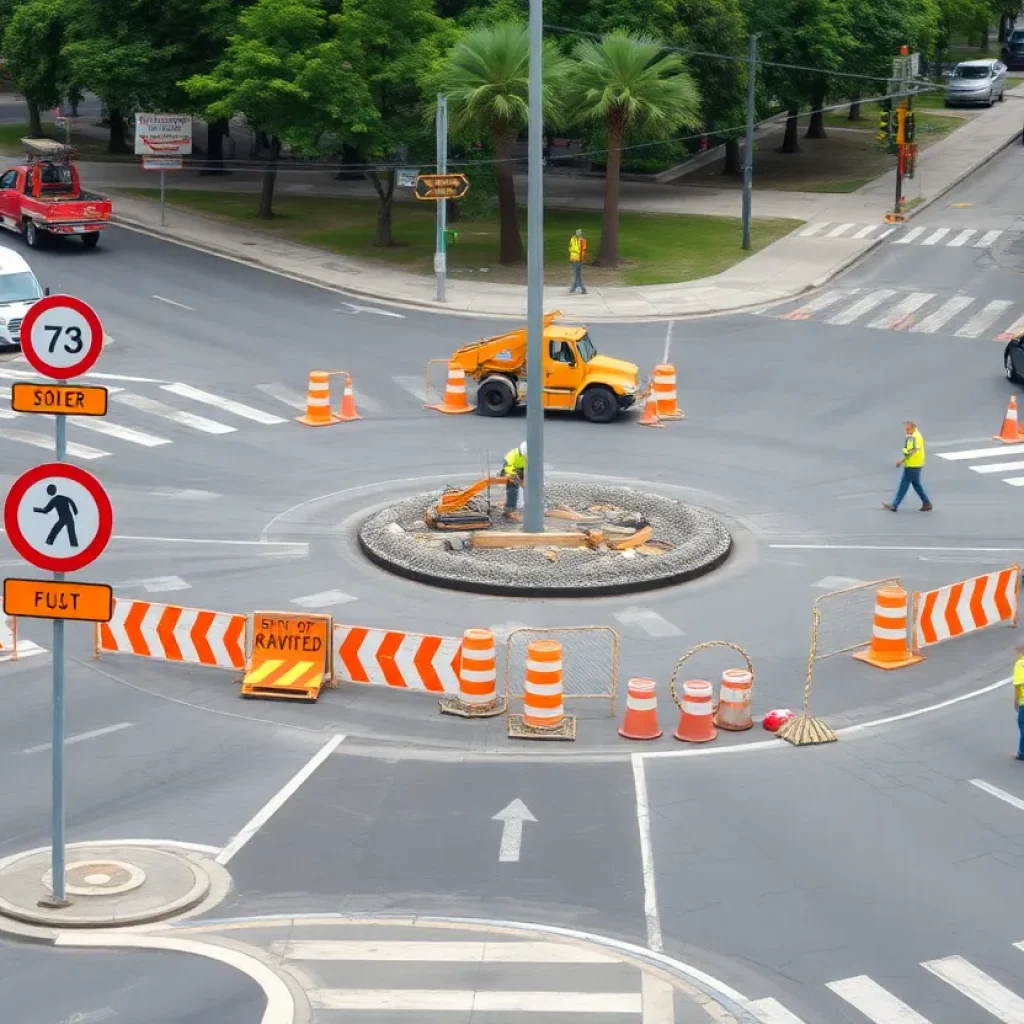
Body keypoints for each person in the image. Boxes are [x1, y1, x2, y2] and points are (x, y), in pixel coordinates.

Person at [882, 420, 933, 512]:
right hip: (916, 464)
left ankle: (895, 505)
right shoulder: (915, 435)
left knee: (904, 485)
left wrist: (901, 461)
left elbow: (913, 451)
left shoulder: (915, 437)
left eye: (908, 430)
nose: (906, 432)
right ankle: (927, 503)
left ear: (913, 428)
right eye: (906, 430)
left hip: (913, 465)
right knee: (916, 485)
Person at [502, 441, 527, 519]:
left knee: (526, 487)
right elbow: (510, 471)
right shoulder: (511, 455)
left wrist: (524, 480)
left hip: (521, 470)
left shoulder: (526, 455)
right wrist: (520, 481)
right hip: (510, 472)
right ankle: (509, 511)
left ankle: (523, 504)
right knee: (512, 490)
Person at [569, 228, 587, 295]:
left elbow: (570, 248)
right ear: (580, 234)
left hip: (573, 259)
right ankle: (582, 288)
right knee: (578, 275)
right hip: (578, 260)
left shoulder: (572, 239)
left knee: (577, 275)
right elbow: (583, 251)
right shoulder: (582, 241)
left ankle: (574, 287)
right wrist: (581, 260)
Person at [1014, 644, 1024, 761]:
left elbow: (1018, 683)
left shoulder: (1020, 664)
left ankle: (1022, 752)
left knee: (1022, 725)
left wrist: (1015, 699)